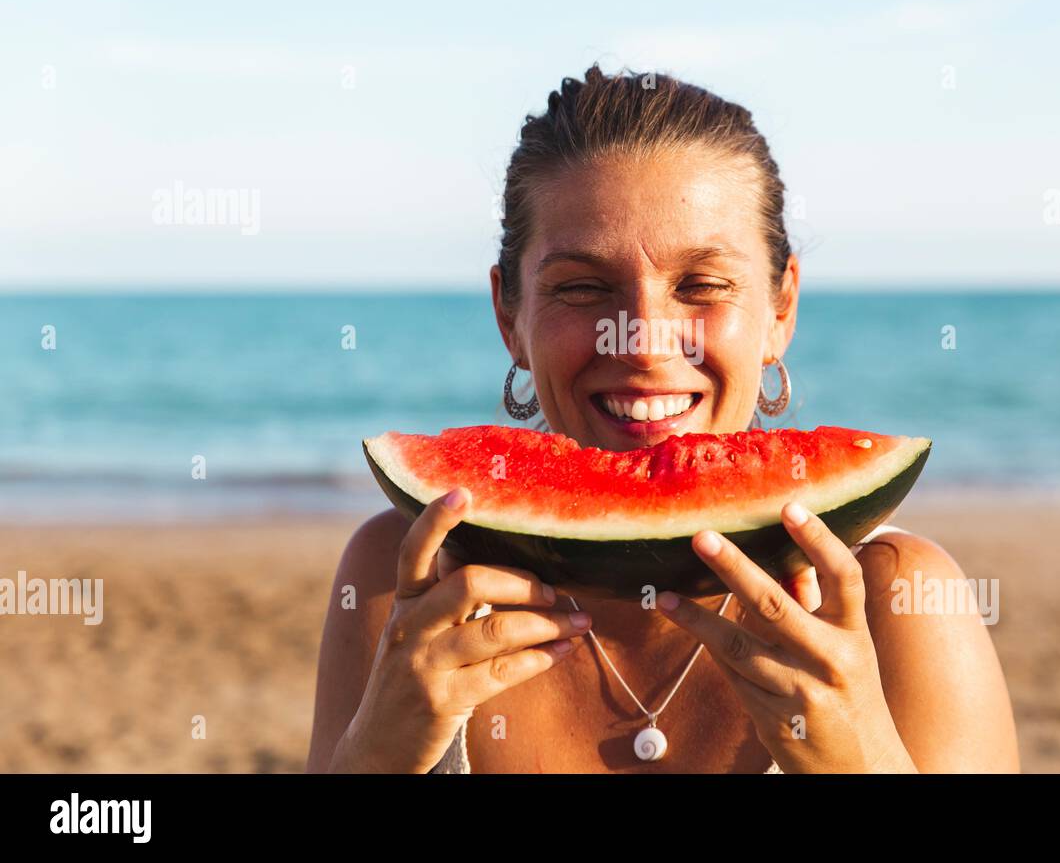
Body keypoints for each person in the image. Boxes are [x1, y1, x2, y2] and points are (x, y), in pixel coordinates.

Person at [306, 65, 1019, 773]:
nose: (644, 342)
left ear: (781, 309)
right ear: (509, 314)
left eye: (702, 285)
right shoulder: (405, 580)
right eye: (583, 289)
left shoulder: (900, 602)